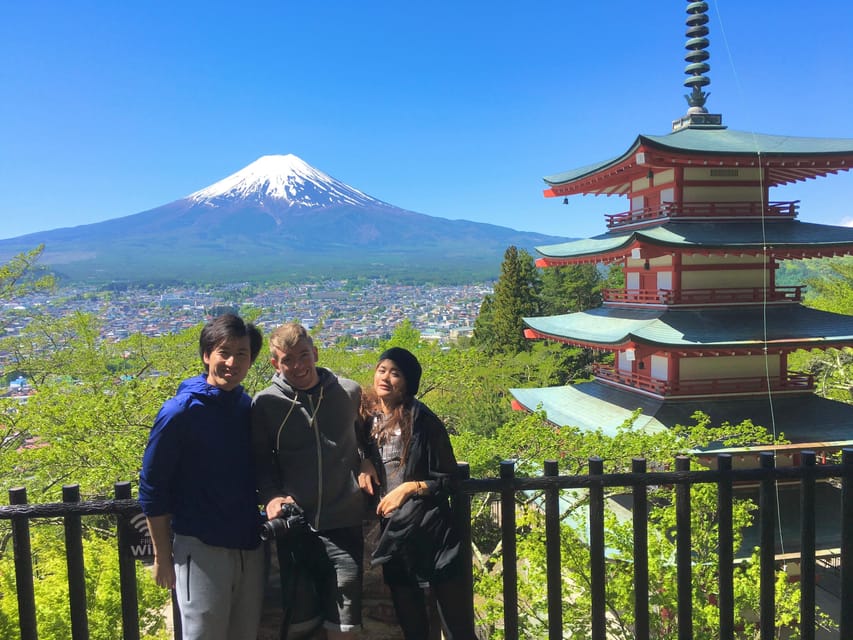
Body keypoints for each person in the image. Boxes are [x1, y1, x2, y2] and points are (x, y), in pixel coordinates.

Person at [138, 313, 265, 640]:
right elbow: (153, 487)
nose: (232, 362)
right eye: (224, 352)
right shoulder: (179, 411)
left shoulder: (243, 405)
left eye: (242, 354)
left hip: (247, 545)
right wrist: (162, 556)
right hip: (201, 546)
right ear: (207, 355)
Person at [251, 322, 368, 639]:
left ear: (315, 353)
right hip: (296, 527)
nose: (298, 366)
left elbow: (368, 434)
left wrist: (367, 461)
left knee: (345, 626)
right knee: (300, 626)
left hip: (343, 521)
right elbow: (261, 459)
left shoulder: (348, 392)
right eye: (288, 360)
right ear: (276, 363)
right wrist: (272, 495)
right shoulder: (266, 404)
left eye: (304, 355)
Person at [359, 347, 473, 640]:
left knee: (457, 628)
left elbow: (449, 480)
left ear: (408, 383)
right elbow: (347, 446)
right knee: (414, 631)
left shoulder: (423, 421)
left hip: (433, 535)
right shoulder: (368, 418)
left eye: (395, 373)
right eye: (382, 369)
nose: (385, 377)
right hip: (396, 539)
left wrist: (411, 487)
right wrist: (362, 460)